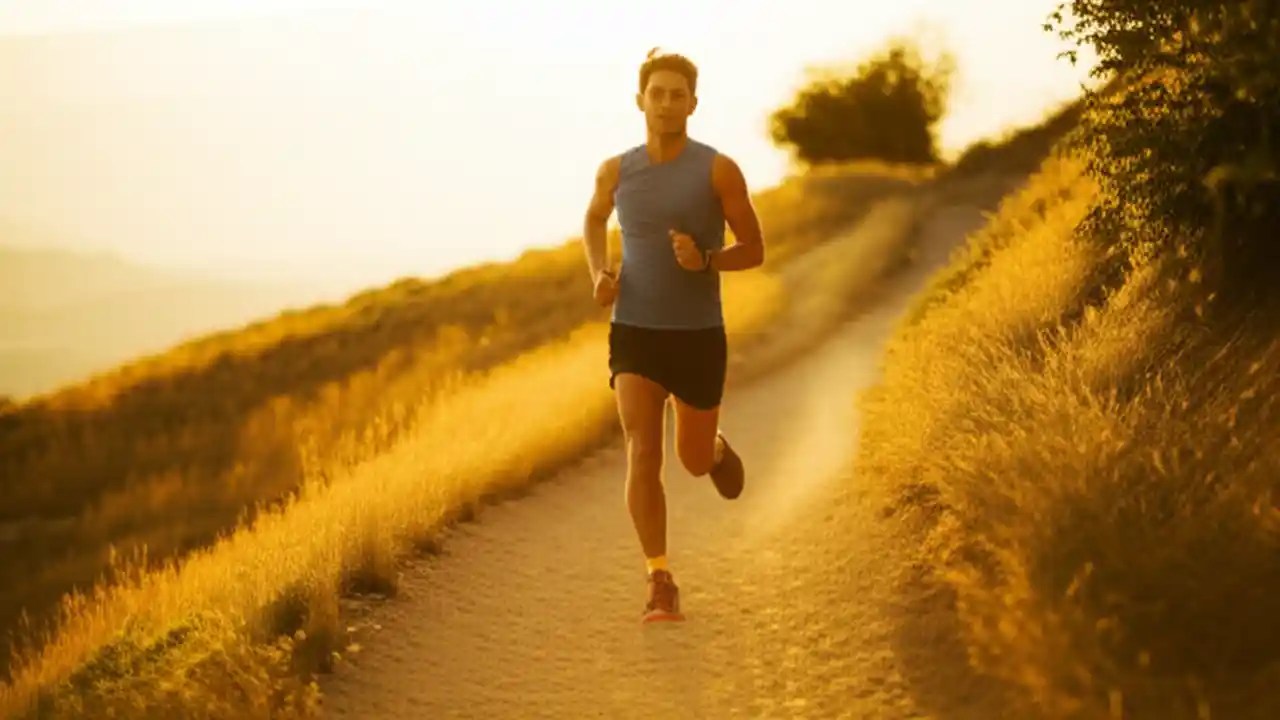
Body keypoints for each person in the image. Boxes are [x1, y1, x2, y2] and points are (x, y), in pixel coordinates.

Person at [581, 48, 766, 623]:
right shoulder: (616, 171)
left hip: (697, 336)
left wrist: (706, 259)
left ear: (693, 103)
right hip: (633, 329)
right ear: (640, 101)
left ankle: (710, 449)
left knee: (687, 458)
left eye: (676, 95)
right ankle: (659, 578)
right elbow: (592, 221)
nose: (665, 103)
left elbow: (754, 249)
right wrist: (600, 274)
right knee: (642, 451)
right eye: (656, 94)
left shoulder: (718, 170)